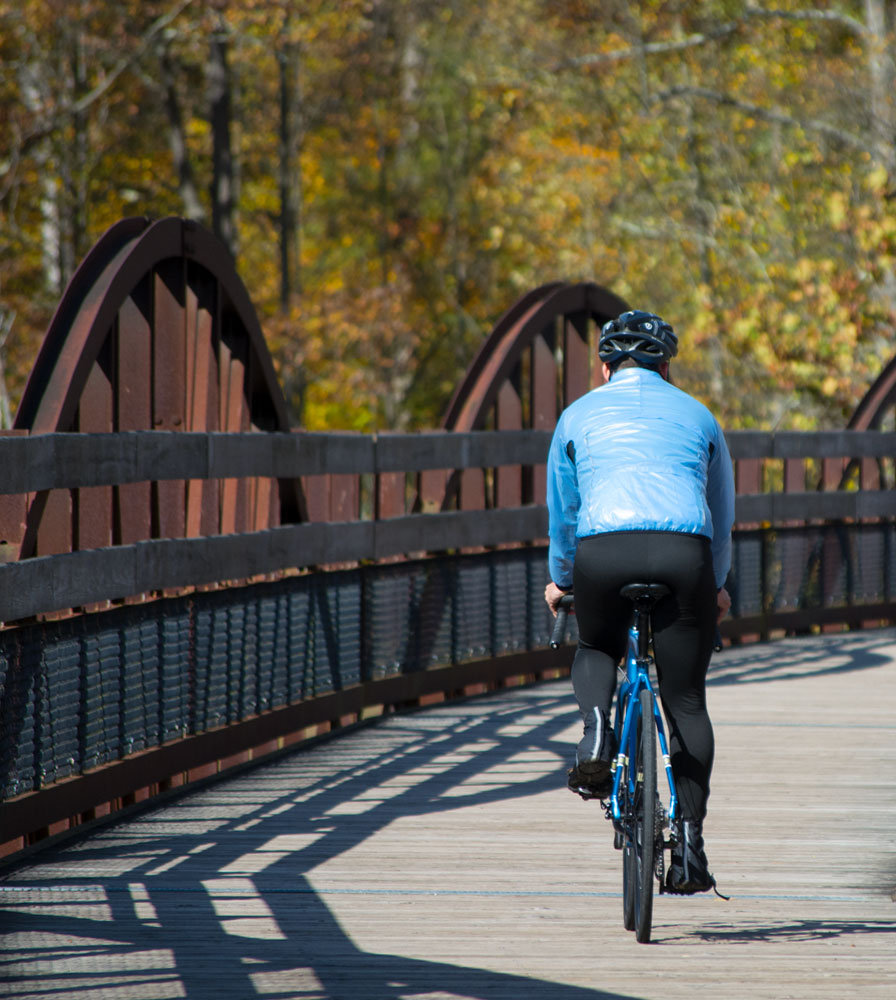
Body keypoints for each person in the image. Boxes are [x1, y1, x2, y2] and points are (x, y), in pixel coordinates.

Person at [544, 309, 734, 895]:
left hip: (605, 551)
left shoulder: (576, 415)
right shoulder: (700, 416)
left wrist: (562, 581)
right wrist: (718, 584)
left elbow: (565, 513)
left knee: (598, 644)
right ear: (666, 366)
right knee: (685, 699)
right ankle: (691, 849)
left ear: (604, 367)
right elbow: (721, 515)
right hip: (685, 555)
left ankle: (598, 732)